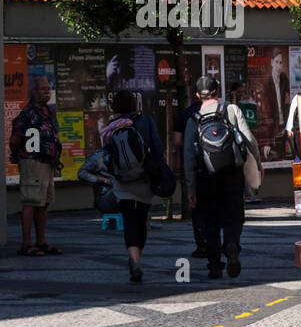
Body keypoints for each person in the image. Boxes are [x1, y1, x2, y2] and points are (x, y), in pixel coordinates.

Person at [184, 76, 258, 280]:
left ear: (198, 95)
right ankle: (232, 243)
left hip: (205, 178)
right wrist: (257, 167)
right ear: (217, 91)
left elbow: (189, 157)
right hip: (232, 175)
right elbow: (249, 140)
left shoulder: (194, 118)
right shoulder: (231, 110)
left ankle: (214, 265)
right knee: (234, 215)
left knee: (210, 222)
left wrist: (190, 189)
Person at [100, 89, 166, 283]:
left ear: (115, 107)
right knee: (142, 218)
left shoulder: (111, 127)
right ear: (134, 104)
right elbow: (158, 148)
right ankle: (138, 257)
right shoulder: (145, 121)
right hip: (144, 178)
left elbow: (106, 155)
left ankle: (134, 260)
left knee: (129, 220)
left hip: (123, 181)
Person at [9, 75, 63, 257]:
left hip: (48, 163)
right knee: (31, 201)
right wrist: (17, 154)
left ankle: (41, 241)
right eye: (42, 88)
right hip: (33, 161)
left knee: (43, 202)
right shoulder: (28, 113)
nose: (47, 91)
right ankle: (26, 244)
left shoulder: (49, 111)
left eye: (48, 88)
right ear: (33, 92)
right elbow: (16, 138)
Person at [173, 84, 207, 258]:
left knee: (197, 207)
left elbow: (177, 141)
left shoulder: (186, 115)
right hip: (219, 168)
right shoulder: (222, 111)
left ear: (195, 94)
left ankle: (201, 244)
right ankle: (223, 242)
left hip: (196, 167)